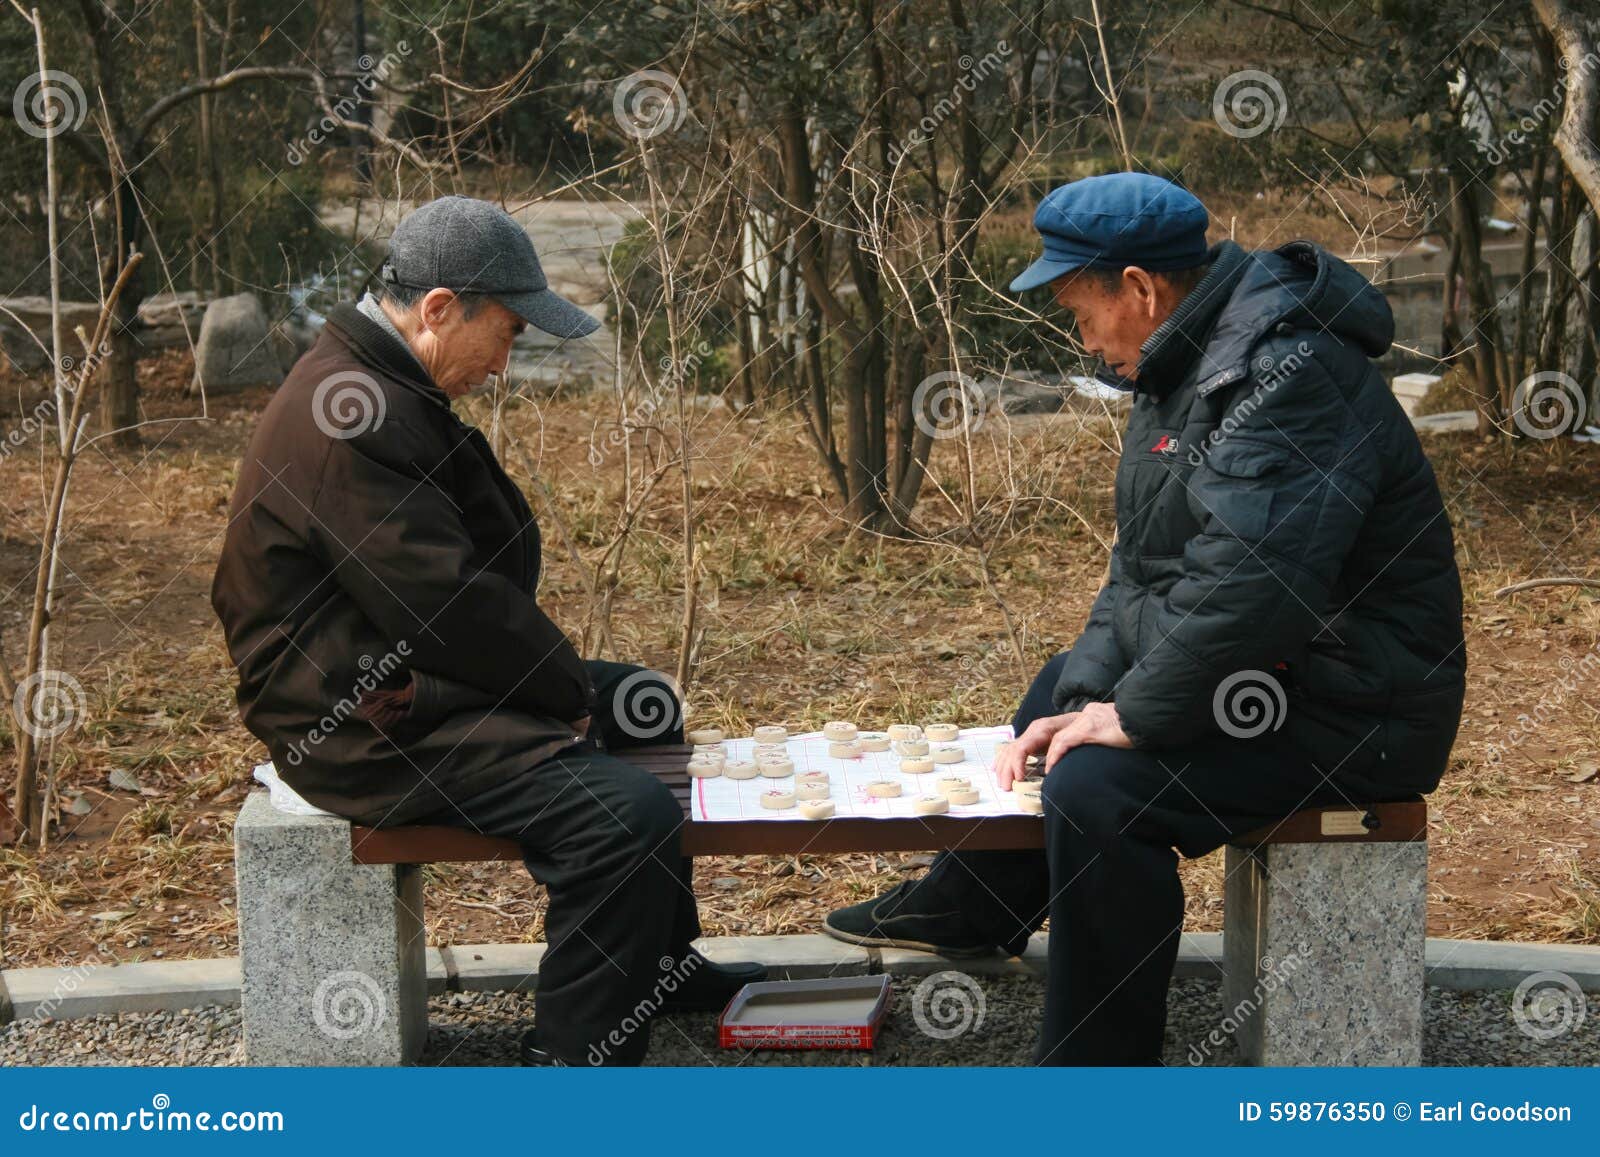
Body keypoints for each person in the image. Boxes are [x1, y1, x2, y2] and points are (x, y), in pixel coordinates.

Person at [823, 172, 1466, 1065]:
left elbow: (1255, 582)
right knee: (1060, 691)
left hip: (1356, 709)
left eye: (1082, 311)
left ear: (1139, 288)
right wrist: (1090, 693)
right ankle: (974, 904)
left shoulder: (1289, 374)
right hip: (1279, 672)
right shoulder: (1182, 363)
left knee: (1099, 794)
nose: (1082, 337)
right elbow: (1147, 568)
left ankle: (1098, 1071)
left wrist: (1130, 716)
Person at [211, 195, 763, 1067]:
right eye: (505, 332)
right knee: (622, 817)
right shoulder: (345, 413)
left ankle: (655, 964)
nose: (505, 363)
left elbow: (450, 596)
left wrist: (568, 693)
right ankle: (576, 1061)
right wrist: (561, 695)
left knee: (644, 705)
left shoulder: (379, 378)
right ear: (438, 309)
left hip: (412, 678)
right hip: (361, 718)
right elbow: (444, 603)